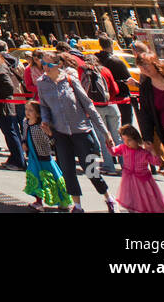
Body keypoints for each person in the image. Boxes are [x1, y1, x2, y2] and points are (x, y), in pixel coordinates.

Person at [36, 54, 116, 213]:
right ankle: (77, 206)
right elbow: (44, 106)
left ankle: (109, 198)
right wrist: (45, 120)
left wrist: (105, 133)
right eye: (43, 63)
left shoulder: (70, 79)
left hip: (81, 131)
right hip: (60, 133)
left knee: (91, 170)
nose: (45, 67)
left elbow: (88, 105)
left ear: (58, 65)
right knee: (67, 170)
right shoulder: (42, 83)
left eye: (48, 64)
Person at [135, 51, 164, 179]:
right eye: (141, 66)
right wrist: (147, 139)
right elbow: (145, 115)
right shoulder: (145, 88)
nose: (144, 69)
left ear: (155, 63)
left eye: (146, 64)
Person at [22, 99, 70, 211]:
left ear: (38, 113)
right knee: (35, 178)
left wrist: (50, 135)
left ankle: (63, 201)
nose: (27, 112)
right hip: (33, 157)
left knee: (53, 179)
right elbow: (24, 135)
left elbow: (52, 142)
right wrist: (23, 143)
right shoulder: (25, 122)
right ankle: (38, 202)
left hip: (44, 157)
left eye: (31, 110)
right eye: (26, 109)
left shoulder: (41, 126)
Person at [0, 48, 26, 170]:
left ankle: (19, 161)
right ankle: (15, 158)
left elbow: (9, 86)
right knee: (9, 133)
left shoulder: (0, 70)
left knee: (11, 133)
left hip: (4, 106)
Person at [112, 124, 164, 213]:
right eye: (124, 140)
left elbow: (157, 162)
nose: (126, 142)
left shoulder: (144, 153)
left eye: (129, 140)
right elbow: (113, 152)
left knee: (148, 201)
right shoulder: (123, 148)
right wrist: (109, 144)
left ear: (136, 139)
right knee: (131, 200)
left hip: (143, 181)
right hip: (129, 180)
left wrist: (152, 150)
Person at [96, 36, 135, 125]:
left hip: (101, 97)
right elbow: (128, 79)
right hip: (120, 96)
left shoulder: (96, 60)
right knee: (126, 124)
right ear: (111, 45)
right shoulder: (116, 61)